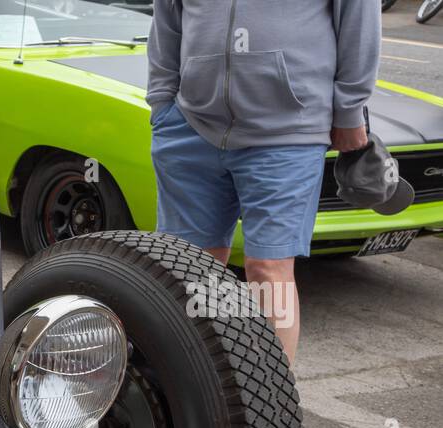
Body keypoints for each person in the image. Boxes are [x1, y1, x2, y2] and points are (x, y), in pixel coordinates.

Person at [147, 0, 382, 361]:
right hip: (191, 125)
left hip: (287, 131)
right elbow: (167, 16)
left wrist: (349, 111)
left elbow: (358, 19)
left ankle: (270, 406)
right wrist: (162, 102)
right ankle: (201, 385)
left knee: (269, 269)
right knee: (190, 266)